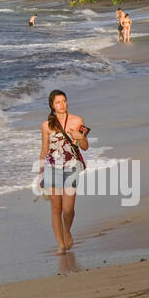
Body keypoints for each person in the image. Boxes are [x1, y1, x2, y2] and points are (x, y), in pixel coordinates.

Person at [37, 89, 89, 253]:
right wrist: (40, 172)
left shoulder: (77, 120)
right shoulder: (46, 125)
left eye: (64, 101)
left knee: (68, 209)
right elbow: (44, 149)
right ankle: (61, 245)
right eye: (58, 102)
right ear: (52, 105)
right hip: (52, 168)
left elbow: (85, 147)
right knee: (55, 208)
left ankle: (67, 231)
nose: (62, 105)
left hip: (71, 167)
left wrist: (80, 137)